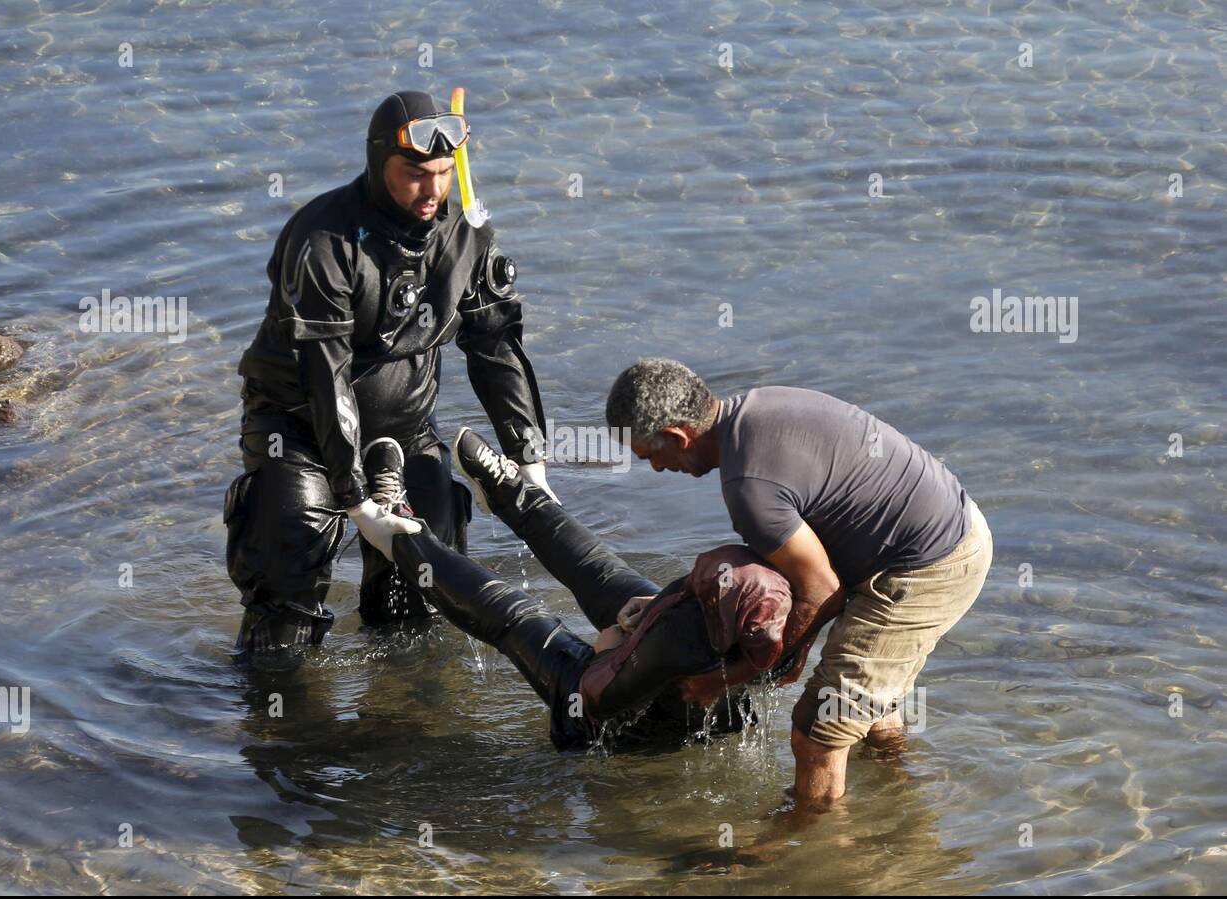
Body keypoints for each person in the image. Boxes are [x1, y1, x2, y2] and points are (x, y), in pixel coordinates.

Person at [224, 90, 556, 660]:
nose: (432, 191)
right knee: (287, 607)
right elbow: (325, 377)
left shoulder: (466, 233)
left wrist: (531, 464)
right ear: (379, 164)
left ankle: (402, 730)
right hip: (299, 428)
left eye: (443, 173)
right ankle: (279, 732)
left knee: (421, 606)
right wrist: (357, 502)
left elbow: (495, 347)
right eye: (414, 174)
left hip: (405, 428)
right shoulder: (323, 239)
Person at [605, 358, 994, 806]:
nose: (655, 469)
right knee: (869, 698)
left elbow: (822, 590)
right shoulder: (761, 407)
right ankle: (898, 794)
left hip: (925, 568)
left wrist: (734, 677)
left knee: (819, 725)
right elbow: (787, 562)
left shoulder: (748, 485)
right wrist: (670, 597)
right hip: (953, 527)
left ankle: (802, 847)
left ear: (678, 436)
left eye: (651, 456)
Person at [350, 428, 814, 750]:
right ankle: (517, 497)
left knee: (515, 616)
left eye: (699, 583)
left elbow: (599, 685)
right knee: (612, 578)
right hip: (682, 693)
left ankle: (397, 531)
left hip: (598, 716)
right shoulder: (781, 630)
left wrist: (614, 642)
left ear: (711, 606)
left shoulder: (673, 641)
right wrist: (654, 607)